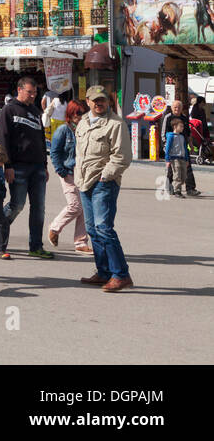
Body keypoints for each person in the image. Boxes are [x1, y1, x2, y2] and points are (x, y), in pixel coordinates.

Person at [75, 86, 133, 291]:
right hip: (84, 182)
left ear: (108, 102)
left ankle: (121, 274)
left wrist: (105, 176)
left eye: (103, 100)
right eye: (95, 100)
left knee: (104, 228)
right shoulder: (82, 122)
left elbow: (123, 157)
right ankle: (104, 272)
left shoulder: (116, 124)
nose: (99, 103)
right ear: (88, 102)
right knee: (92, 229)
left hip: (103, 183)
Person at [0, 75, 56, 259]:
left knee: (39, 208)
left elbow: (40, 139)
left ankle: (36, 246)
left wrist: (45, 165)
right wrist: (8, 166)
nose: (33, 96)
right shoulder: (9, 110)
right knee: (17, 205)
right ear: (19, 89)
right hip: (18, 167)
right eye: (30, 92)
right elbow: (3, 140)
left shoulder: (35, 111)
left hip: (37, 167)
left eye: (35, 92)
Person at [48, 99, 91, 251]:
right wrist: (60, 170)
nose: (80, 117)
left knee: (85, 208)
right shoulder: (63, 130)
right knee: (75, 206)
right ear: (70, 114)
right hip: (68, 172)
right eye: (77, 113)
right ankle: (55, 227)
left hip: (85, 173)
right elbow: (54, 151)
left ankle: (81, 242)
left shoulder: (86, 130)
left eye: (83, 113)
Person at [165, 116, 190, 199]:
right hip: (174, 158)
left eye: (183, 126)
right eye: (181, 126)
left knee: (183, 177)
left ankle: (173, 186)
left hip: (182, 158)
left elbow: (185, 148)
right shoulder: (171, 136)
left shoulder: (182, 137)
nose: (182, 128)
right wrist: (167, 159)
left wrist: (186, 159)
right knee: (177, 175)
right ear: (175, 126)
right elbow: (168, 148)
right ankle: (177, 191)